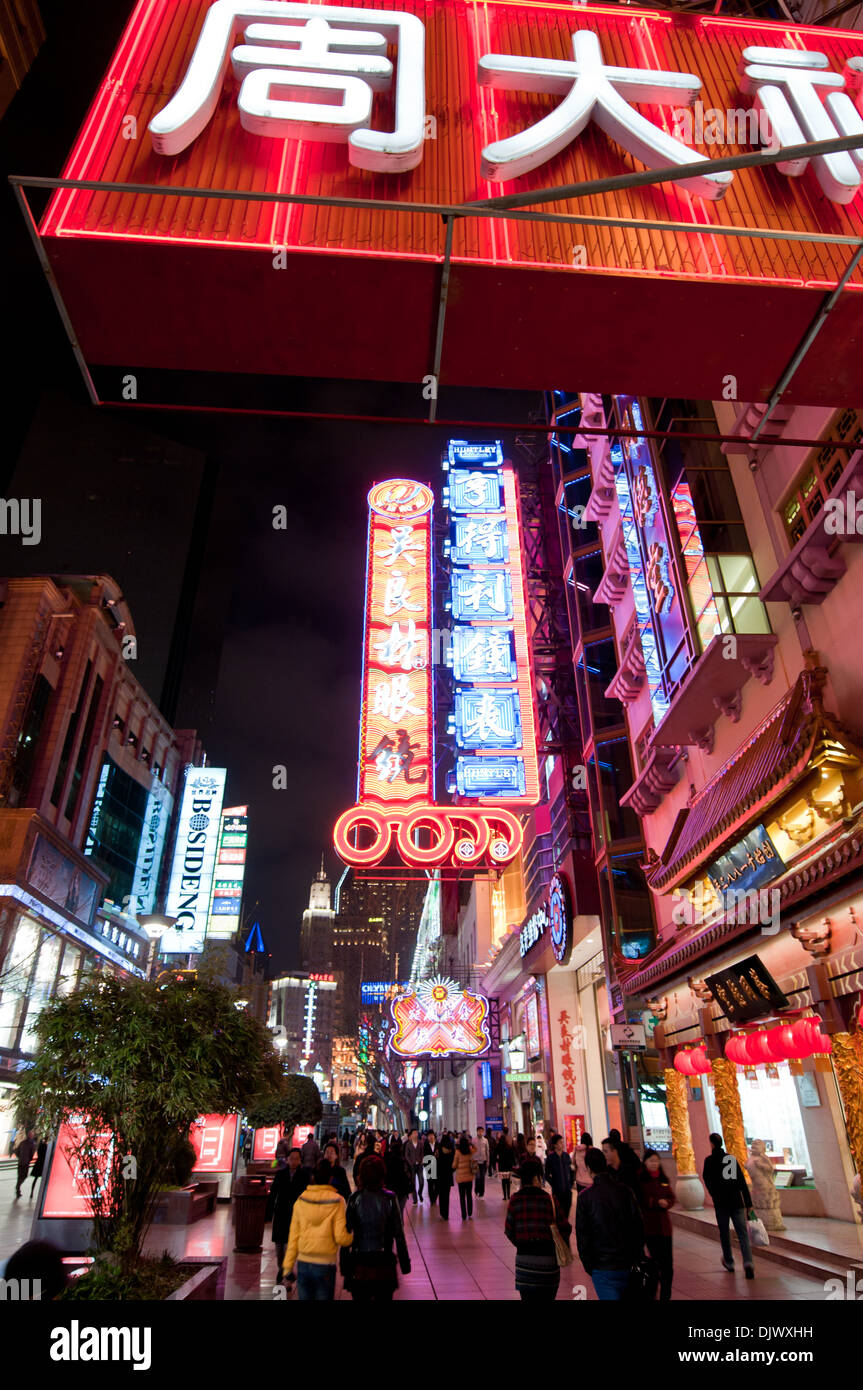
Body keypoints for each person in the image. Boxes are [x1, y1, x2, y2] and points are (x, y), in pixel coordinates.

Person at [575, 1148, 644, 1301]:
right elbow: (638, 1226)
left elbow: (583, 1235)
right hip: (627, 1263)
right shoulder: (625, 1191)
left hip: (602, 1266)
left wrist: (589, 1265)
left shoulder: (585, 1197)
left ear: (588, 1168)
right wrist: (636, 1255)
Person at [283, 1158, 352, 1300]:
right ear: (330, 1178)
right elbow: (341, 1237)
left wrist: (288, 1266)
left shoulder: (301, 1200)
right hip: (325, 1264)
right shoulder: (337, 1201)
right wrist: (353, 1238)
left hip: (303, 1263)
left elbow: (294, 1237)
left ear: (313, 1177)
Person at [344, 1154, 411, 1301]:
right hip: (384, 1262)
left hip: (360, 1261)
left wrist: (344, 1264)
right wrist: (405, 1262)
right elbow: (399, 1234)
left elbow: (346, 1233)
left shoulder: (355, 1199)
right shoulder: (390, 1198)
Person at [504, 1157, 568, 1301]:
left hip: (524, 1264)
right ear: (536, 1178)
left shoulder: (515, 1200)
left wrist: (523, 1243)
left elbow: (509, 1230)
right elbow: (564, 1227)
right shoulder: (549, 1200)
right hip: (549, 1265)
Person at [702, 1133, 756, 1279]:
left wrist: (714, 1194)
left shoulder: (710, 1161)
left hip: (721, 1203)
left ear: (712, 1144)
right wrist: (748, 1203)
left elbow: (707, 1181)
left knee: (724, 1233)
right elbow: (741, 1183)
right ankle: (748, 1262)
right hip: (736, 1201)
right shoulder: (731, 1159)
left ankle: (729, 1261)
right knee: (742, 1233)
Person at [266, 1147, 311, 1285]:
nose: (294, 1161)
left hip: (296, 1215)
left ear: (300, 1160)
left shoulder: (304, 1175)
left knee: (290, 1245)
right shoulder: (280, 1174)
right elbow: (273, 1193)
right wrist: (268, 1213)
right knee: (279, 1247)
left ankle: (287, 1272)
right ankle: (282, 1268)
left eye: (297, 1158)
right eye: (291, 1158)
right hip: (280, 1213)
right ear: (287, 1159)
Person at [638, 1149, 675, 1300]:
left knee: (668, 1265)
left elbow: (671, 1197)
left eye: (656, 1161)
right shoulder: (641, 1180)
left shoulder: (663, 1179)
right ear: (645, 1162)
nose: (654, 1164)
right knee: (655, 1262)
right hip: (650, 1227)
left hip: (665, 1228)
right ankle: (653, 1291)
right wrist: (654, 1202)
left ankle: (666, 1295)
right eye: (651, 1161)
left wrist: (668, 1202)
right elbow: (640, 1200)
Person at [545, 1133, 574, 1221]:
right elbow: (546, 1174)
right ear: (555, 1145)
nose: (562, 1144)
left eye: (562, 1142)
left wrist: (571, 1182)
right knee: (558, 1215)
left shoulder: (566, 1156)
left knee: (566, 1215)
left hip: (567, 1191)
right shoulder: (551, 1158)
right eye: (560, 1142)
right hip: (557, 1192)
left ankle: (565, 1232)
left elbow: (572, 1170)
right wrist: (553, 1183)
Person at [602, 1134, 640, 1199]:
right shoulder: (604, 1173)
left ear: (614, 1151)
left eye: (605, 1151)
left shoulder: (629, 1171)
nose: (603, 1155)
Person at [384, 1134, 412, 1216]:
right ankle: (400, 1226)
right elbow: (408, 1175)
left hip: (389, 1189)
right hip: (402, 1191)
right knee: (400, 1212)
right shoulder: (403, 1162)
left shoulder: (387, 1161)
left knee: (391, 1212)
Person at [453, 1134, 477, 1220]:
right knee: (469, 1195)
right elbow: (476, 1149)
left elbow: (454, 1165)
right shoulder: (470, 1150)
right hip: (469, 1177)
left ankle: (463, 1214)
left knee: (462, 1196)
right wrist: (471, 1143)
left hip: (461, 1178)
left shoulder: (457, 1152)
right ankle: (470, 1211)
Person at [435, 1132, 455, 1221]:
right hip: (448, 1175)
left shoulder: (439, 1148)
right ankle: (446, 1214)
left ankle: (442, 1212)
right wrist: (451, 1170)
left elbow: (435, 1160)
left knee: (441, 1195)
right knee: (447, 1195)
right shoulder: (452, 1149)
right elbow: (454, 1163)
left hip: (440, 1174)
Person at [14, 1130, 36, 1199]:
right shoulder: (32, 1144)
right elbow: (31, 1154)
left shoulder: (22, 1142)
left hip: (21, 1162)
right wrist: (28, 1159)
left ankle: (18, 1188)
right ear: (31, 1136)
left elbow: (17, 1151)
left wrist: (20, 1157)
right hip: (25, 1162)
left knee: (20, 1175)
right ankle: (18, 1187)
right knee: (24, 1175)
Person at [404, 1128, 425, 1205]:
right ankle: (415, 1199)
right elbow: (407, 1155)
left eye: (417, 1133)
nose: (416, 1134)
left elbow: (423, 1153)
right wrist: (410, 1163)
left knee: (421, 1182)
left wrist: (422, 1161)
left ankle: (420, 1193)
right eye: (414, 1133)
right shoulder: (408, 1144)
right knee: (413, 1183)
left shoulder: (420, 1143)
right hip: (412, 1166)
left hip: (419, 1166)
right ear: (411, 1135)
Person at [497, 1128, 515, 1201]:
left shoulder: (498, 1147)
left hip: (501, 1165)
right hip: (508, 1165)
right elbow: (512, 1154)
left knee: (503, 1180)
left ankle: (505, 1196)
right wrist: (513, 1163)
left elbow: (495, 1154)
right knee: (508, 1179)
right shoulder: (509, 1146)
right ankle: (509, 1195)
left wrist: (497, 1160)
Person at [423, 1134, 438, 1208]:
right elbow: (424, 1155)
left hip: (437, 1166)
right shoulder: (426, 1145)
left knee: (437, 1184)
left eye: (432, 1136)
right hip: (429, 1166)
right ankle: (432, 1199)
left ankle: (434, 1196)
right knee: (430, 1184)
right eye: (429, 1136)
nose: (431, 1137)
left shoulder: (438, 1144)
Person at [474, 1126, 489, 1198]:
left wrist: (488, 1161)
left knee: (482, 1177)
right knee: (477, 1177)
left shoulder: (485, 1140)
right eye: (479, 1131)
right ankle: (476, 1190)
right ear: (477, 1131)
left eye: (481, 1131)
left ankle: (482, 1193)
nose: (480, 1132)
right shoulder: (474, 1140)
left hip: (483, 1161)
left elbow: (487, 1151)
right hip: (476, 1161)